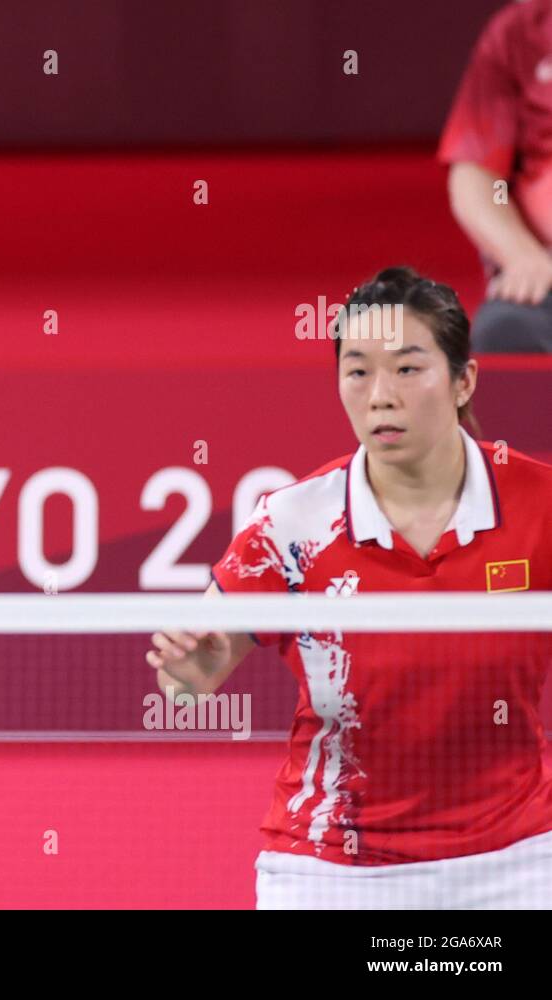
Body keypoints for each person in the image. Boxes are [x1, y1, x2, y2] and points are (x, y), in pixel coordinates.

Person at [146, 267, 552, 908]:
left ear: (463, 380)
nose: (380, 395)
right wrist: (188, 672)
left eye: (408, 369)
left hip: (515, 860)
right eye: (358, 370)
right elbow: (185, 682)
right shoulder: (293, 524)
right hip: (334, 863)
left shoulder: (540, 504)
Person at [440, 0, 552, 352]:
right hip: (547, 272)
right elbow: (477, 177)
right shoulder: (519, 31)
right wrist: (523, 256)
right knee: (505, 332)